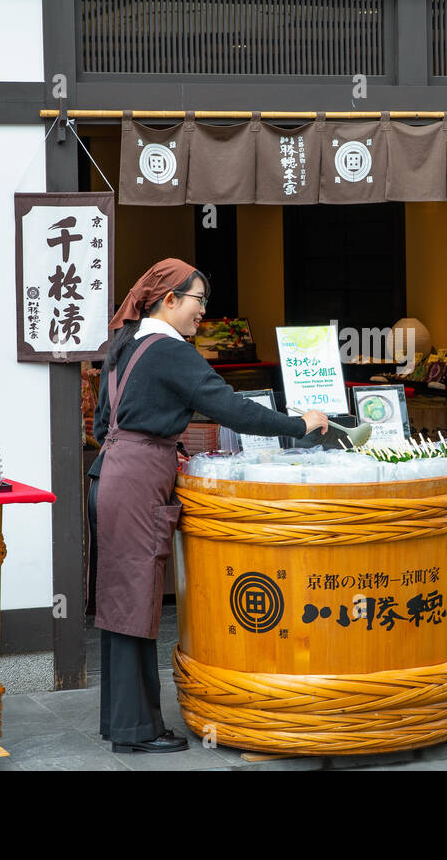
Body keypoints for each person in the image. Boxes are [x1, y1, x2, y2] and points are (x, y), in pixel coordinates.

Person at [86, 257, 327, 754]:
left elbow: (101, 423)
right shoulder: (171, 352)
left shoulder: (126, 345)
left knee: (119, 600)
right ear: (170, 299)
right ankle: (138, 732)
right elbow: (230, 407)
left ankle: (124, 723)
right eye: (198, 301)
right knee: (135, 600)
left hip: (110, 473)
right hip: (137, 483)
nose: (203, 313)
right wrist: (299, 425)